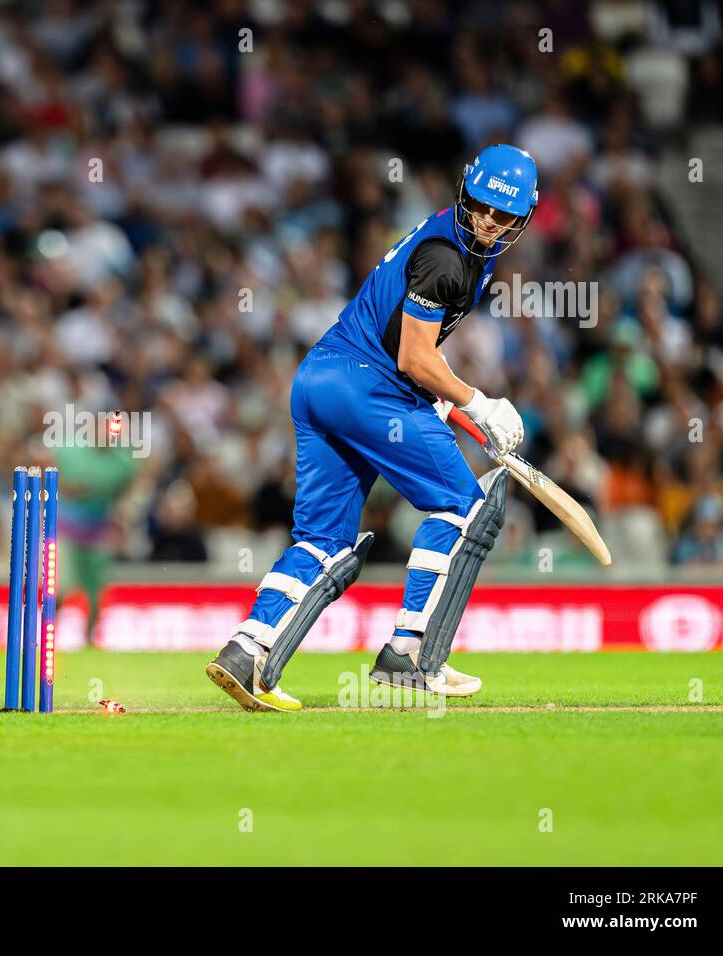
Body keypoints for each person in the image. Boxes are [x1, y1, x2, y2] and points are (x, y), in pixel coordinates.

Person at [207, 145, 537, 711]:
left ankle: (247, 650)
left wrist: (433, 400)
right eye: (483, 206)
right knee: (467, 511)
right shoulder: (447, 260)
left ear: (524, 217)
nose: (490, 222)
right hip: (369, 388)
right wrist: (477, 401)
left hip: (321, 381)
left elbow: (405, 348)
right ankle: (410, 656)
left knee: (323, 542)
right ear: (466, 192)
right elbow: (413, 357)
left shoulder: (447, 241)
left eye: (505, 216)